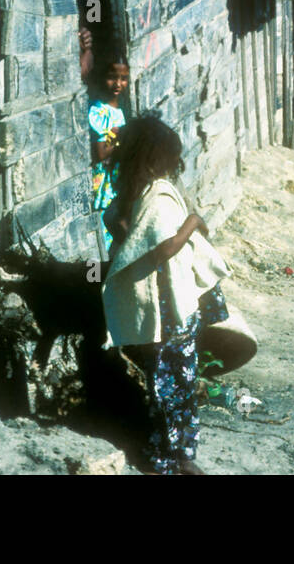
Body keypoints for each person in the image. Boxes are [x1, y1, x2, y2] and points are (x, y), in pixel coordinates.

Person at [102, 114, 231, 475]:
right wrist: (193, 222)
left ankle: (166, 452)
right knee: (178, 382)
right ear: (155, 159)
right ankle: (178, 457)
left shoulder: (130, 195)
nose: (176, 165)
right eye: (172, 158)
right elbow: (162, 249)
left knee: (162, 383)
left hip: (152, 309)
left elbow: (124, 232)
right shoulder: (157, 199)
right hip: (169, 310)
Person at [88, 51, 129, 258]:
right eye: (112, 77)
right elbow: (102, 152)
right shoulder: (98, 111)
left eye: (123, 78)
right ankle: (95, 279)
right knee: (100, 237)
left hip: (114, 184)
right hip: (100, 185)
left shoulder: (120, 112)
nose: (118, 84)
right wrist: (118, 133)